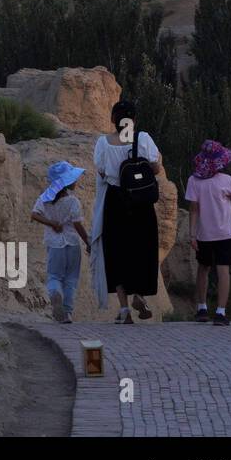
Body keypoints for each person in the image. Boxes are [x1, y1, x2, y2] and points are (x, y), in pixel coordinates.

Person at [90, 99, 164, 324]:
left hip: (115, 201)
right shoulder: (142, 138)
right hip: (140, 202)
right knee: (141, 249)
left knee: (116, 253)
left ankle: (123, 310)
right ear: (134, 119)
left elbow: (101, 172)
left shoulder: (103, 143)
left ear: (113, 119)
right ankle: (139, 295)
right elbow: (156, 168)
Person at [184, 140, 231, 326]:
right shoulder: (226, 180)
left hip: (203, 235)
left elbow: (193, 210)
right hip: (225, 234)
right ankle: (221, 312)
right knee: (223, 271)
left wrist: (192, 235)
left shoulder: (193, 181)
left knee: (203, 269)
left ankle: (201, 309)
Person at [30, 160, 91, 323]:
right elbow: (78, 225)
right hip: (72, 243)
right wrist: (88, 242)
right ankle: (68, 312)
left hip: (54, 243)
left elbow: (34, 215)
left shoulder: (44, 198)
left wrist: (52, 224)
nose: (76, 181)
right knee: (71, 279)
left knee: (54, 277)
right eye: (73, 178)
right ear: (68, 182)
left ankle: (55, 294)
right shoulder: (73, 201)